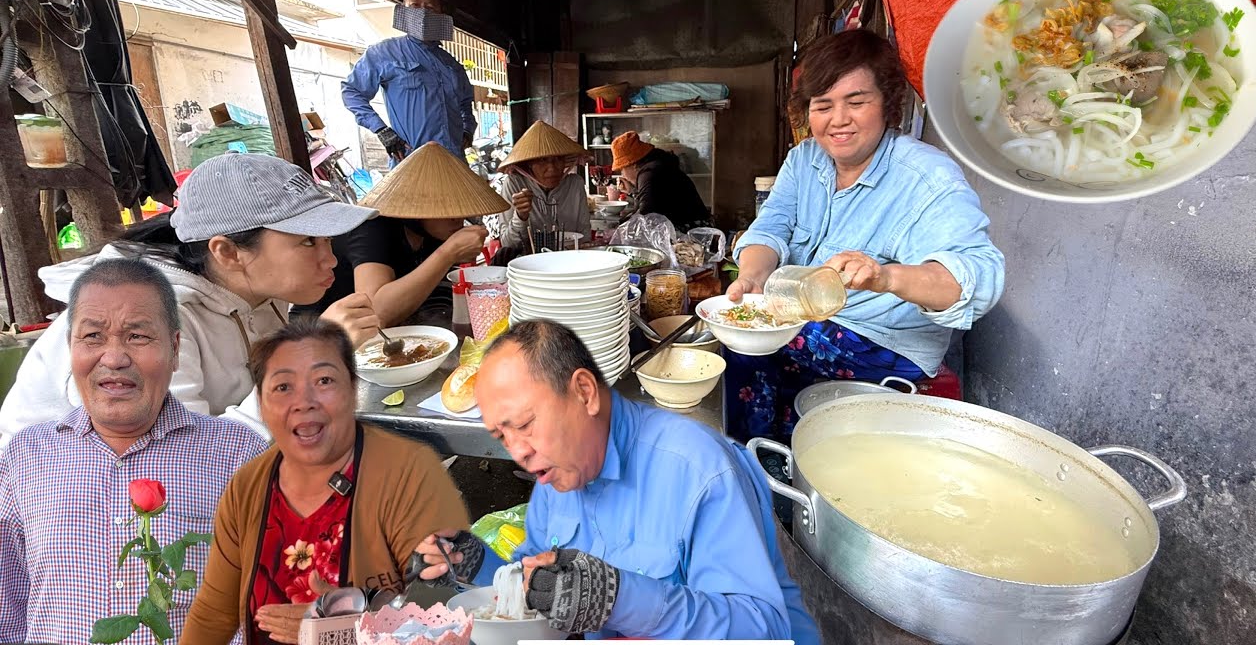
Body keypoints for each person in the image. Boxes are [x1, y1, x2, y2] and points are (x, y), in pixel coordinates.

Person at [413, 320, 820, 643]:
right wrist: (475, 562)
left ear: (584, 392)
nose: (518, 451)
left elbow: (764, 630)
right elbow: (534, 588)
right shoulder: (557, 476)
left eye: (524, 424)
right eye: (502, 436)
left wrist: (619, 598)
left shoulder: (699, 471)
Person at [725, 29, 1005, 443]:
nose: (838, 120)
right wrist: (751, 277)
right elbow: (771, 227)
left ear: (887, 103)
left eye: (856, 102)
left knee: (755, 345)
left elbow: (979, 278)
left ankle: (773, 457)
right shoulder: (804, 159)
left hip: (883, 343)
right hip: (810, 320)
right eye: (823, 106)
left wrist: (886, 277)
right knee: (739, 328)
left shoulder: (925, 176)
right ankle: (759, 456)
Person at [0, 153, 380, 446]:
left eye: (327, 239)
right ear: (227, 252)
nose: (330, 259)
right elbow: (185, 459)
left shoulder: (261, 291)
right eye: (308, 242)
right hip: (64, 501)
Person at [0, 259, 267, 644]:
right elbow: (7, 609)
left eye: (138, 336)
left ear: (174, 349)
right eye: (93, 336)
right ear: (71, 347)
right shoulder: (26, 456)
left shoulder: (238, 454)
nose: (114, 358)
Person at [181, 318, 470, 644]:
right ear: (261, 404)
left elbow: (447, 612)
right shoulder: (248, 488)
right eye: (283, 387)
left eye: (324, 381)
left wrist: (346, 626)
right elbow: (215, 612)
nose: (304, 402)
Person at [298, 142, 506, 327]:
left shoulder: (432, 234)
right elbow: (376, 312)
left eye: (460, 208)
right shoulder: (372, 227)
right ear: (416, 208)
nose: (458, 218)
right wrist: (448, 253)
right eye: (446, 209)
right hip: (320, 332)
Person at [342, 0, 475, 162]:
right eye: (415, 6)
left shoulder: (451, 64)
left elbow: (466, 103)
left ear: (440, 14)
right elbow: (352, 91)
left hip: (454, 162)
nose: (423, 13)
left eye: (430, 7)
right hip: (411, 163)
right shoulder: (384, 53)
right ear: (403, 11)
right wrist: (381, 130)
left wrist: (467, 130)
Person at [484, 120, 591, 262]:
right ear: (529, 163)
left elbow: (585, 236)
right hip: (528, 265)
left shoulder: (575, 184)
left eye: (558, 159)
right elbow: (508, 244)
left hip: (569, 261)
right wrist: (520, 216)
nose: (552, 168)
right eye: (542, 160)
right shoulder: (514, 184)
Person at [611, 131, 712, 232]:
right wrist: (632, 190)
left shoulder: (649, 173)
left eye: (622, 169)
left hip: (694, 230)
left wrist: (618, 228)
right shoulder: (656, 164)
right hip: (696, 226)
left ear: (632, 164)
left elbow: (644, 216)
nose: (623, 174)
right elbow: (648, 205)